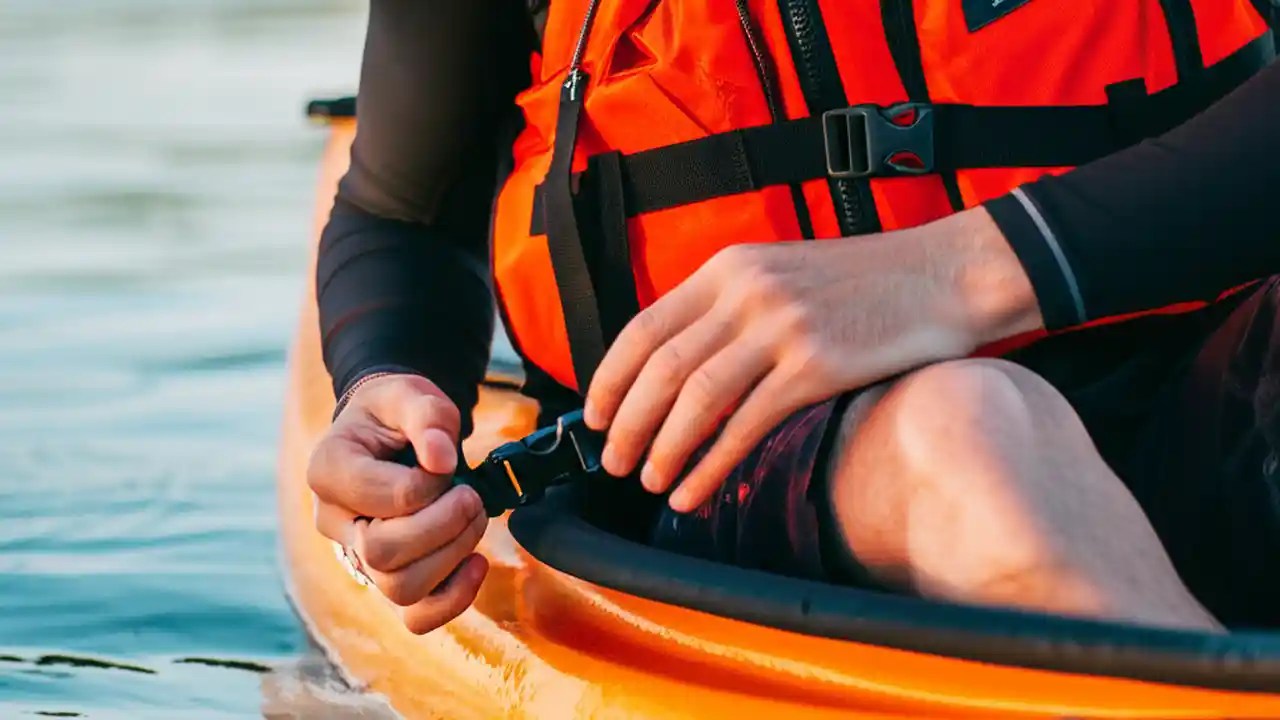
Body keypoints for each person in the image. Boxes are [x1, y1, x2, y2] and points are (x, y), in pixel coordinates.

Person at [306, 0, 1280, 636]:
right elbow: (408, 217)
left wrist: (951, 272)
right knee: (965, 432)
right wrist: (387, 380)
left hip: (1204, 363)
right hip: (735, 455)